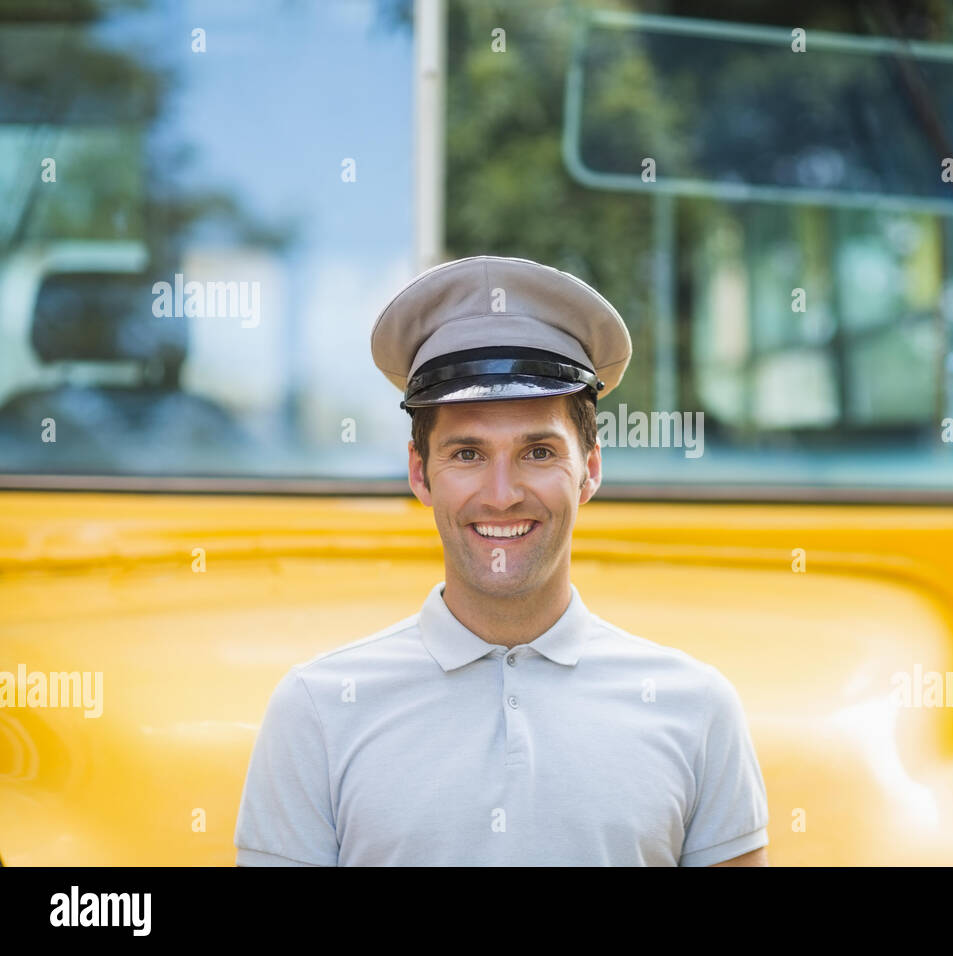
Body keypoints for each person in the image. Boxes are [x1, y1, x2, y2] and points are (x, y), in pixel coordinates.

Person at [233, 255, 769, 866]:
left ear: (589, 469)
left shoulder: (697, 707)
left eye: (538, 451)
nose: (501, 492)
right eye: (466, 454)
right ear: (419, 472)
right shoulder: (315, 711)